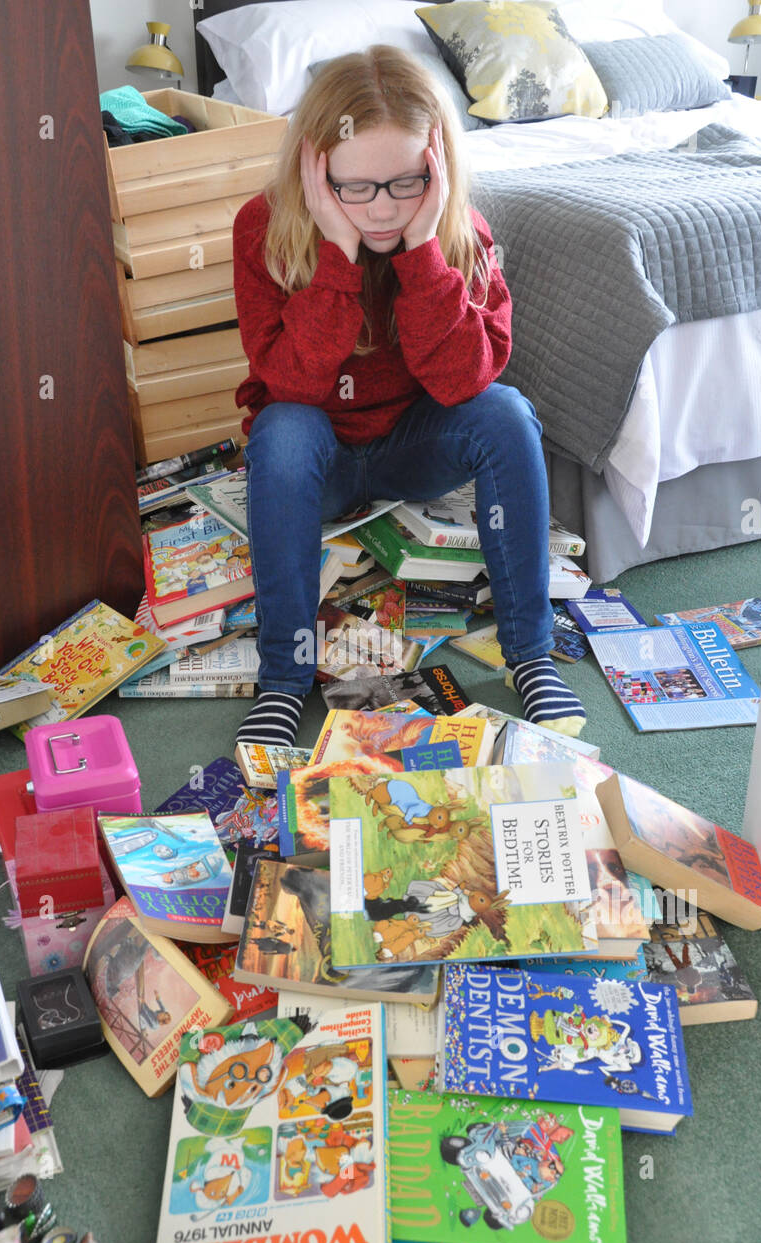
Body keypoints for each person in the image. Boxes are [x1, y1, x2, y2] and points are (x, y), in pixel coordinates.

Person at [232, 46, 587, 749]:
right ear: (314, 167)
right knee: (283, 428)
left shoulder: (459, 233)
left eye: (406, 183)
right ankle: (283, 677)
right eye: (354, 187)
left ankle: (529, 653)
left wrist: (423, 253)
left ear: (438, 167)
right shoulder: (263, 227)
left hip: (411, 448)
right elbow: (293, 384)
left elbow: (463, 382)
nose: (383, 209)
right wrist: (336, 257)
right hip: (317, 458)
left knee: (506, 414)